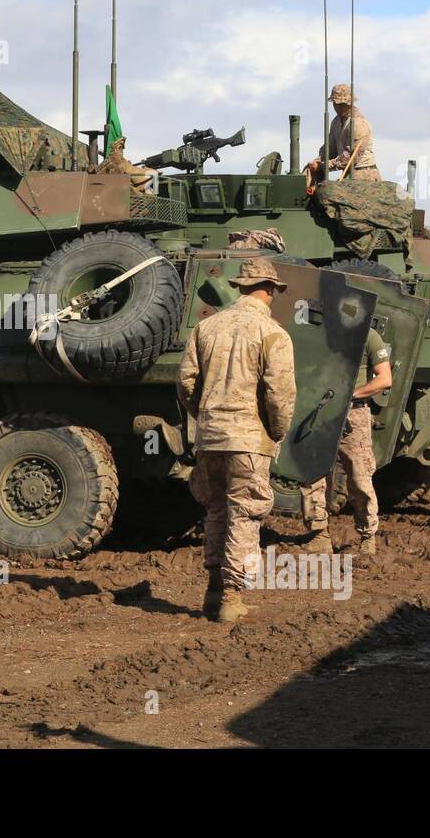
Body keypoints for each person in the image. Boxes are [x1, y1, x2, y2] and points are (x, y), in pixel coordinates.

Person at [177, 258, 297, 623]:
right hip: (249, 439)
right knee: (245, 514)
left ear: (241, 287)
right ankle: (231, 598)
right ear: (270, 290)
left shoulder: (206, 327)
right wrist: (276, 431)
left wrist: (205, 415)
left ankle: (213, 592)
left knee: (216, 510)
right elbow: (279, 394)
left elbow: (185, 382)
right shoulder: (273, 333)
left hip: (210, 436)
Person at [301, 325, 392, 555]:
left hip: (353, 413)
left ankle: (367, 537)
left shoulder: (369, 335)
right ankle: (318, 534)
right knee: (312, 474)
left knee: (359, 476)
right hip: (320, 410)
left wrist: (350, 395)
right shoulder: (320, 332)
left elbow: (384, 379)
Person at [304, 83, 380, 183]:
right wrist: (316, 163)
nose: (337, 107)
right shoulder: (336, 122)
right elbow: (330, 149)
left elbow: (351, 157)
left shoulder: (359, 124)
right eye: (335, 103)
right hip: (347, 173)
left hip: (364, 174)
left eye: (341, 104)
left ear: (349, 103)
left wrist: (323, 166)